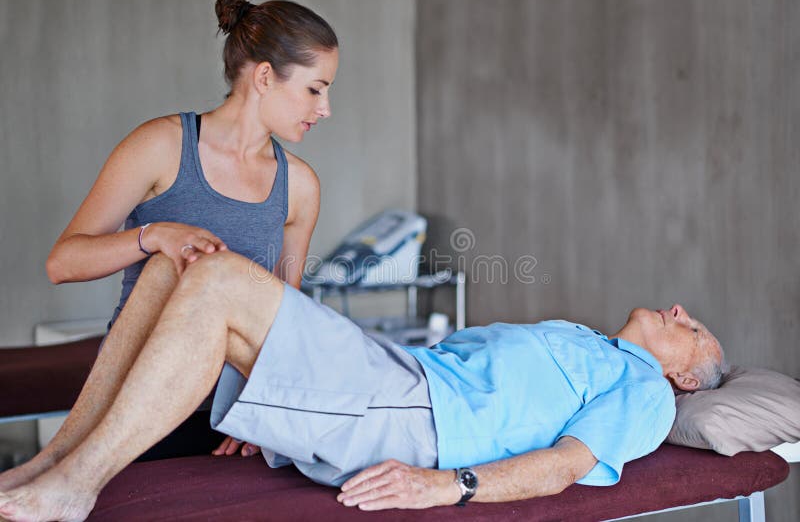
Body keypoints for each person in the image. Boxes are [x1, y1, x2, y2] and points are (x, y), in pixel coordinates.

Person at [0, 250, 725, 520]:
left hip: (416, 418)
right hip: (392, 380)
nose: (681, 312)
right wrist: (277, 408)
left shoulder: (648, 395)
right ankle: (50, 465)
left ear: (685, 375)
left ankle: (77, 484)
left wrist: (448, 487)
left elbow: (567, 465)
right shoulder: (584, 340)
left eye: (693, 330)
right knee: (172, 269)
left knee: (215, 276)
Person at [42, 0, 338, 460]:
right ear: (264, 76)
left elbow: (286, 318)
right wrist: (153, 237)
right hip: (139, 402)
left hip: (231, 419)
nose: (324, 109)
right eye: (315, 89)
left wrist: (268, 413)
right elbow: (63, 262)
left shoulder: (300, 186)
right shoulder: (160, 146)